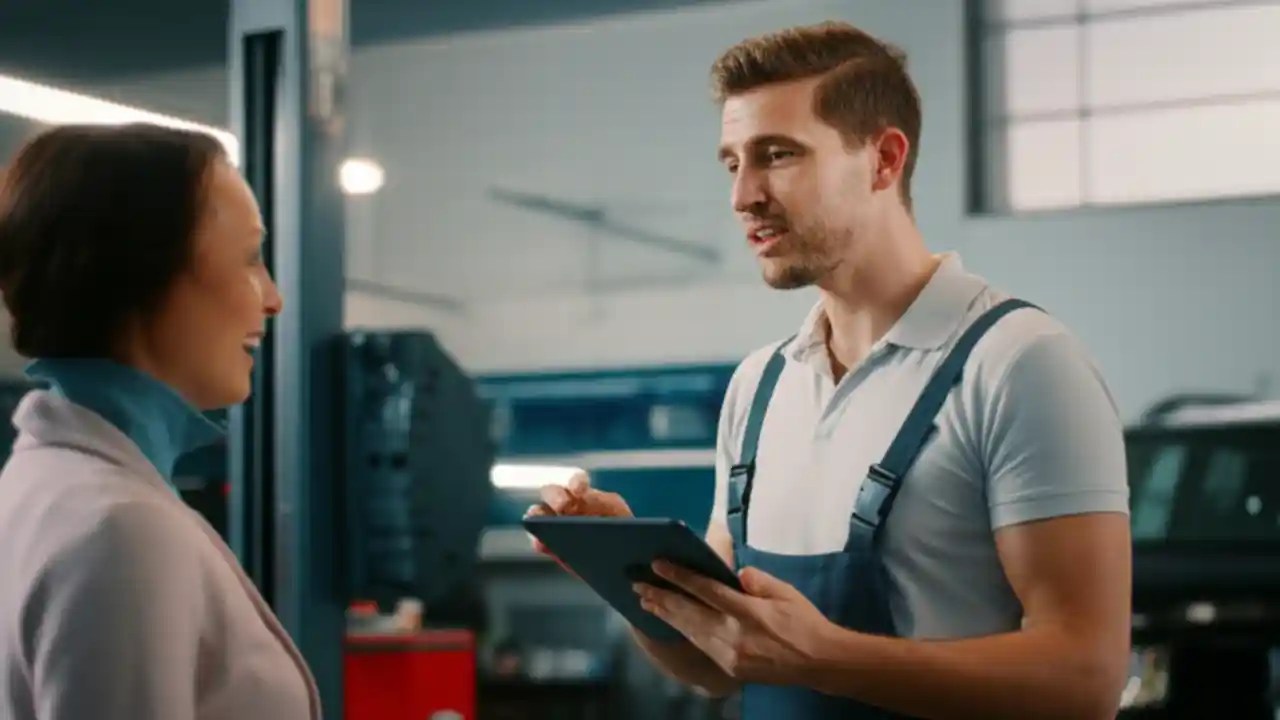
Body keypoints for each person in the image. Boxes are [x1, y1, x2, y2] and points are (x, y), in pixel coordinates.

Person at [528, 21, 1132, 719]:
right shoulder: (759, 388)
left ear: (883, 160)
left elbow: (1085, 681)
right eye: (732, 163)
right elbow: (716, 667)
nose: (743, 196)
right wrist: (627, 575)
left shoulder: (1019, 365)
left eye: (777, 155)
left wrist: (823, 658)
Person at [0, 124, 317, 719]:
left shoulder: (43, 482)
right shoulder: (121, 529)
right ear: (144, 272)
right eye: (251, 258)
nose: (272, 298)